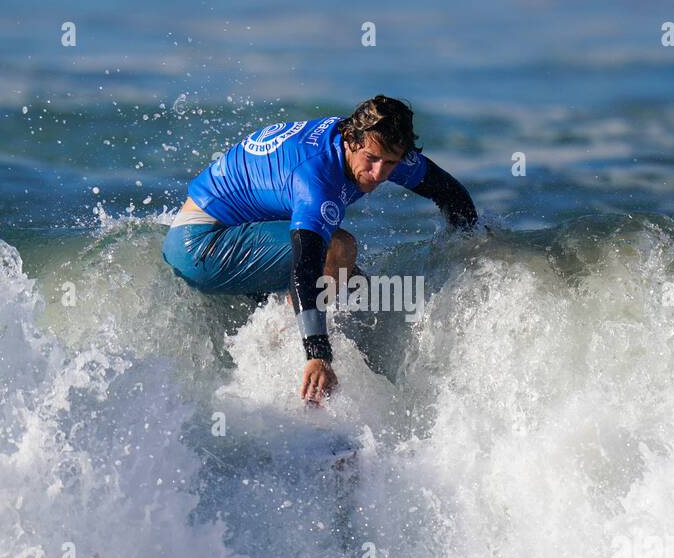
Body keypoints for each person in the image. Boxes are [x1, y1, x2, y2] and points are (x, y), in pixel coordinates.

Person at [162, 95, 479, 405]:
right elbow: (306, 266)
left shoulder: (377, 146)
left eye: (391, 164)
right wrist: (318, 353)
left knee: (362, 293)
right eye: (372, 160)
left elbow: (451, 193)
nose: (380, 174)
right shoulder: (316, 182)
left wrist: (471, 242)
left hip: (237, 229)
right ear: (351, 140)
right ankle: (295, 364)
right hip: (201, 245)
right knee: (339, 248)